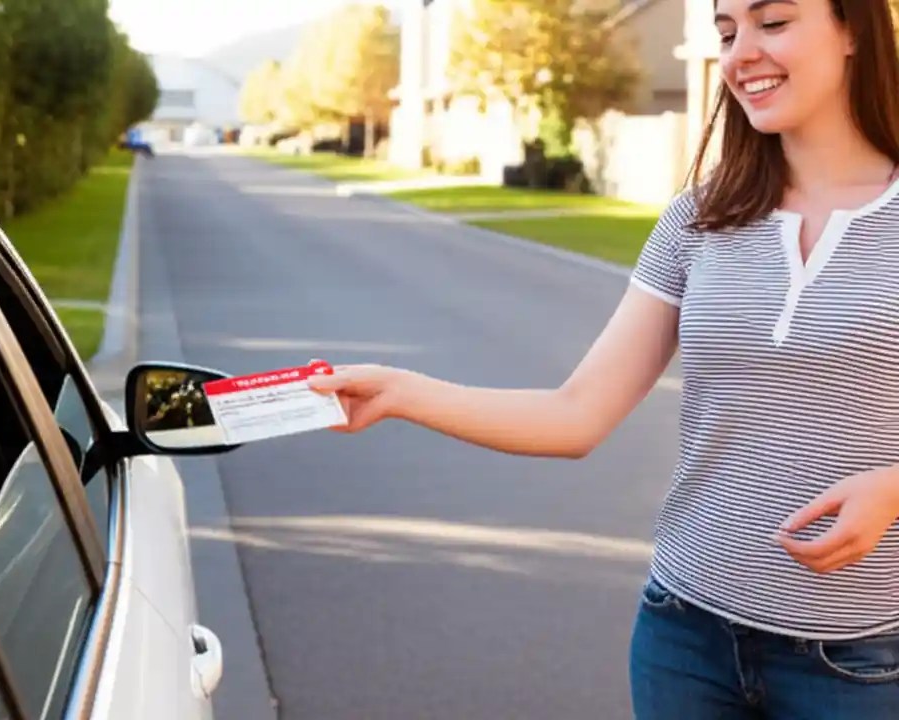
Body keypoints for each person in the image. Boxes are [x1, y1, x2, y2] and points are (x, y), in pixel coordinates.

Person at [308, 0, 899, 716]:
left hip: (863, 659)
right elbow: (576, 415)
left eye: (773, 23)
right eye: (725, 31)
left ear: (852, 31)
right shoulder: (698, 219)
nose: (742, 52)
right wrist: (401, 392)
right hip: (686, 637)